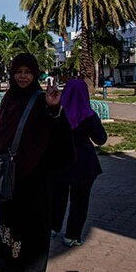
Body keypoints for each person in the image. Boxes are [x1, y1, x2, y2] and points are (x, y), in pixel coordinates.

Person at [0, 53, 73, 272]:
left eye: (28, 72)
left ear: (35, 74)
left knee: (33, 226)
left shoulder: (41, 100)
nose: (22, 76)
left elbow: (59, 133)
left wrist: (54, 108)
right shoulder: (10, 98)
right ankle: (8, 264)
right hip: (10, 172)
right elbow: (1, 134)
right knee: (9, 221)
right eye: (18, 72)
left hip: (35, 175)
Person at [51, 79, 107, 247]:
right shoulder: (89, 115)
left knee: (57, 197)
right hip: (84, 163)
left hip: (61, 161)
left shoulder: (58, 113)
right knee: (80, 201)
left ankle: (54, 227)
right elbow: (101, 139)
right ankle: (72, 235)